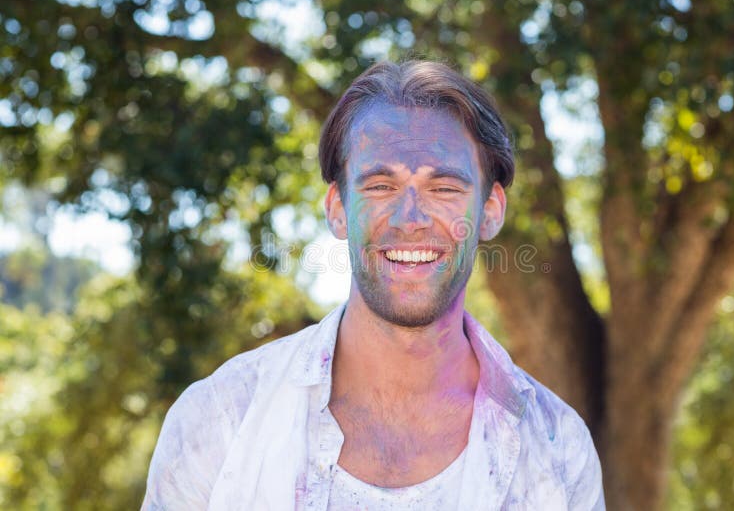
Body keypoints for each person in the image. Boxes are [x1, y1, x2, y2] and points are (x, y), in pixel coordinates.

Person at [142, 60, 605, 510]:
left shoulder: (558, 448)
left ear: (490, 210)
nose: (411, 219)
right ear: (337, 208)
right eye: (380, 186)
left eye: (444, 188)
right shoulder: (220, 419)